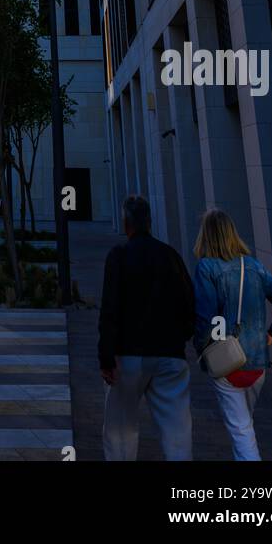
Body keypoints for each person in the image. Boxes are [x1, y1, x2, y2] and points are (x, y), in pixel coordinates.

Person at [193, 209, 272, 461]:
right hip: (257, 362)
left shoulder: (206, 267)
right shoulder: (254, 266)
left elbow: (205, 317)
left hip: (226, 360)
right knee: (244, 423)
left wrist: (201, 349)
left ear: (206, 235)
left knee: (241, 430)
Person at [99, 195, 195, 462]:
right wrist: (180, 337)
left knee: (120, 430)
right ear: (150, 222)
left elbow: (110, 309)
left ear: (126, 223)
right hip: (170, 354)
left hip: (128, 355)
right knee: (177, 432)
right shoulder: (170, 256)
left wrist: (106, 356)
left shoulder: (119, 256)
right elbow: (189, 302)